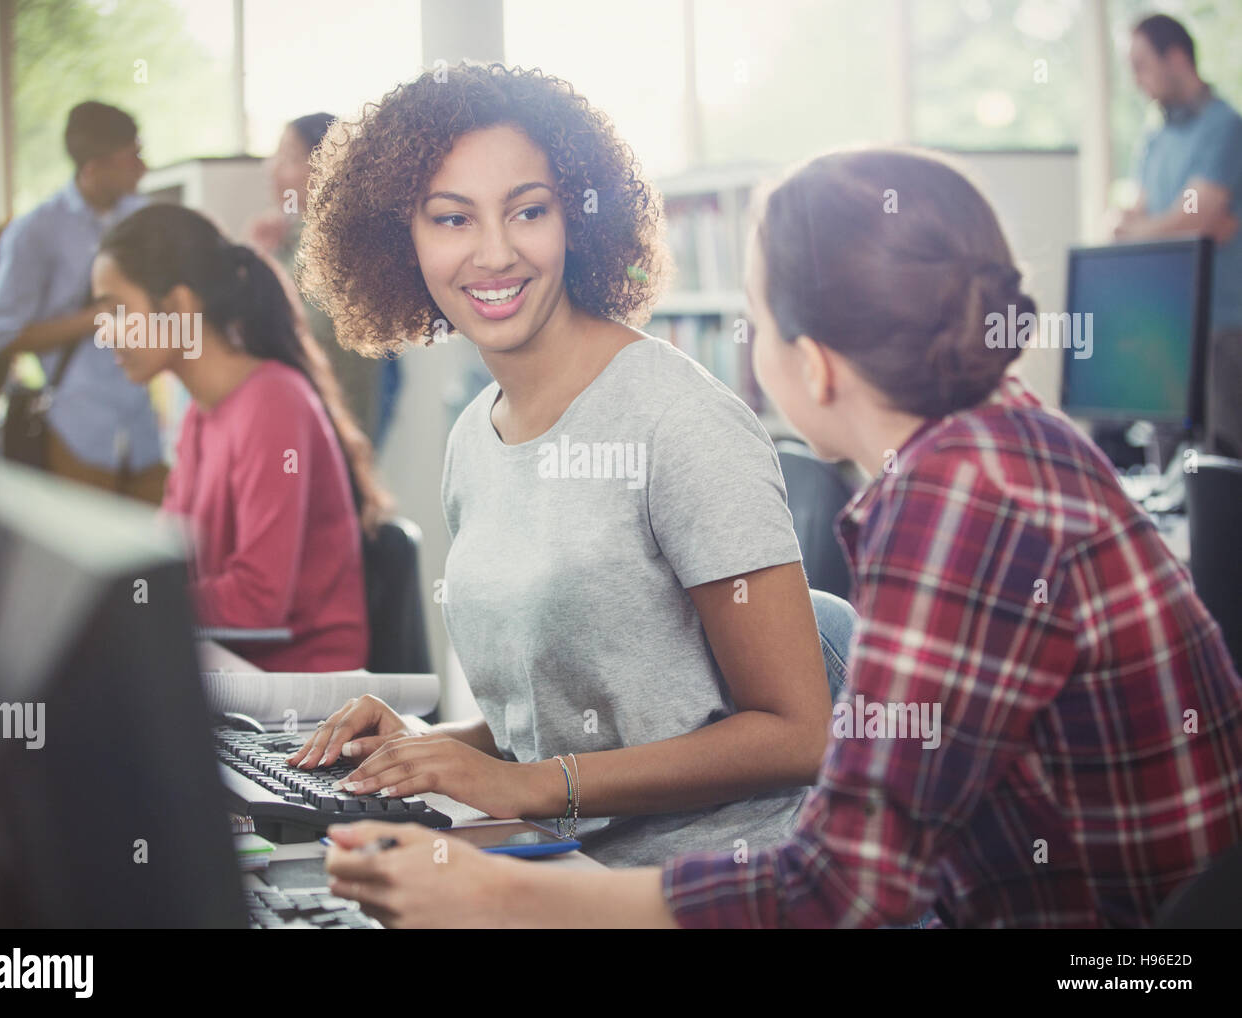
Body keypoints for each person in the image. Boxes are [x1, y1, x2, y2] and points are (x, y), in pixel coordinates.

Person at [320, 147, 1242, 928]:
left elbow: (838, 885)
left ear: (810, 365)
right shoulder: (1006, 440)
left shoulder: (961, 503)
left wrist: (508, 896)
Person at [289, 62, 846, 869]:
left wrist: (534, 786)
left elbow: (799, 735)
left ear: (577, 218)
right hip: (559, 870)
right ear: (398, 242)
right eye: (451, 219)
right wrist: (422, 747)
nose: (493, 252)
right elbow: (561, 720)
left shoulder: (678, 419)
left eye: (528, 211)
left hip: (715, 886)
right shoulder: (473, 439)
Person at [92, 203, 387, 673]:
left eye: (117, 310)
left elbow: (258, 600)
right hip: (233, 670)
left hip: (300, 690)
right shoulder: (199, 415)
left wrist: (130, 606)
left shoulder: (274, 402)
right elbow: (175, 560)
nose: (104, 335)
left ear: (179, 307)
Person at [0, 101, 166, 501]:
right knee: (93, 556)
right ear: (94, 166)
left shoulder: (145, 218)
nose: (143, 167)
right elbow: (3, 335)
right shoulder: (34, 233)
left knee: (158, 555)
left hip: (145, 429)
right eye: (132, 156)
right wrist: (98, 317)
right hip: (76, 432)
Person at [1116, 13, 1242, 457]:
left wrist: (1161, 229)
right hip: (1167, 325)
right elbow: (1136, 220)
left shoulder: (1224, 126)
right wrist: (1178, 229)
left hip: (1223, 325)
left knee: (1221, 455)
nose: (1136, 79)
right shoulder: (1155, 138)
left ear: (1176, 57)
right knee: (1166, 455)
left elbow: (1197, 216)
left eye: (1141, 63)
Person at [247, 113, 398, 447]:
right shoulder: (288, 238)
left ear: (326, 166)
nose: (272, 169)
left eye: (287, 158)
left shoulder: (345, 245)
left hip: (330, 439)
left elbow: (299, 337)